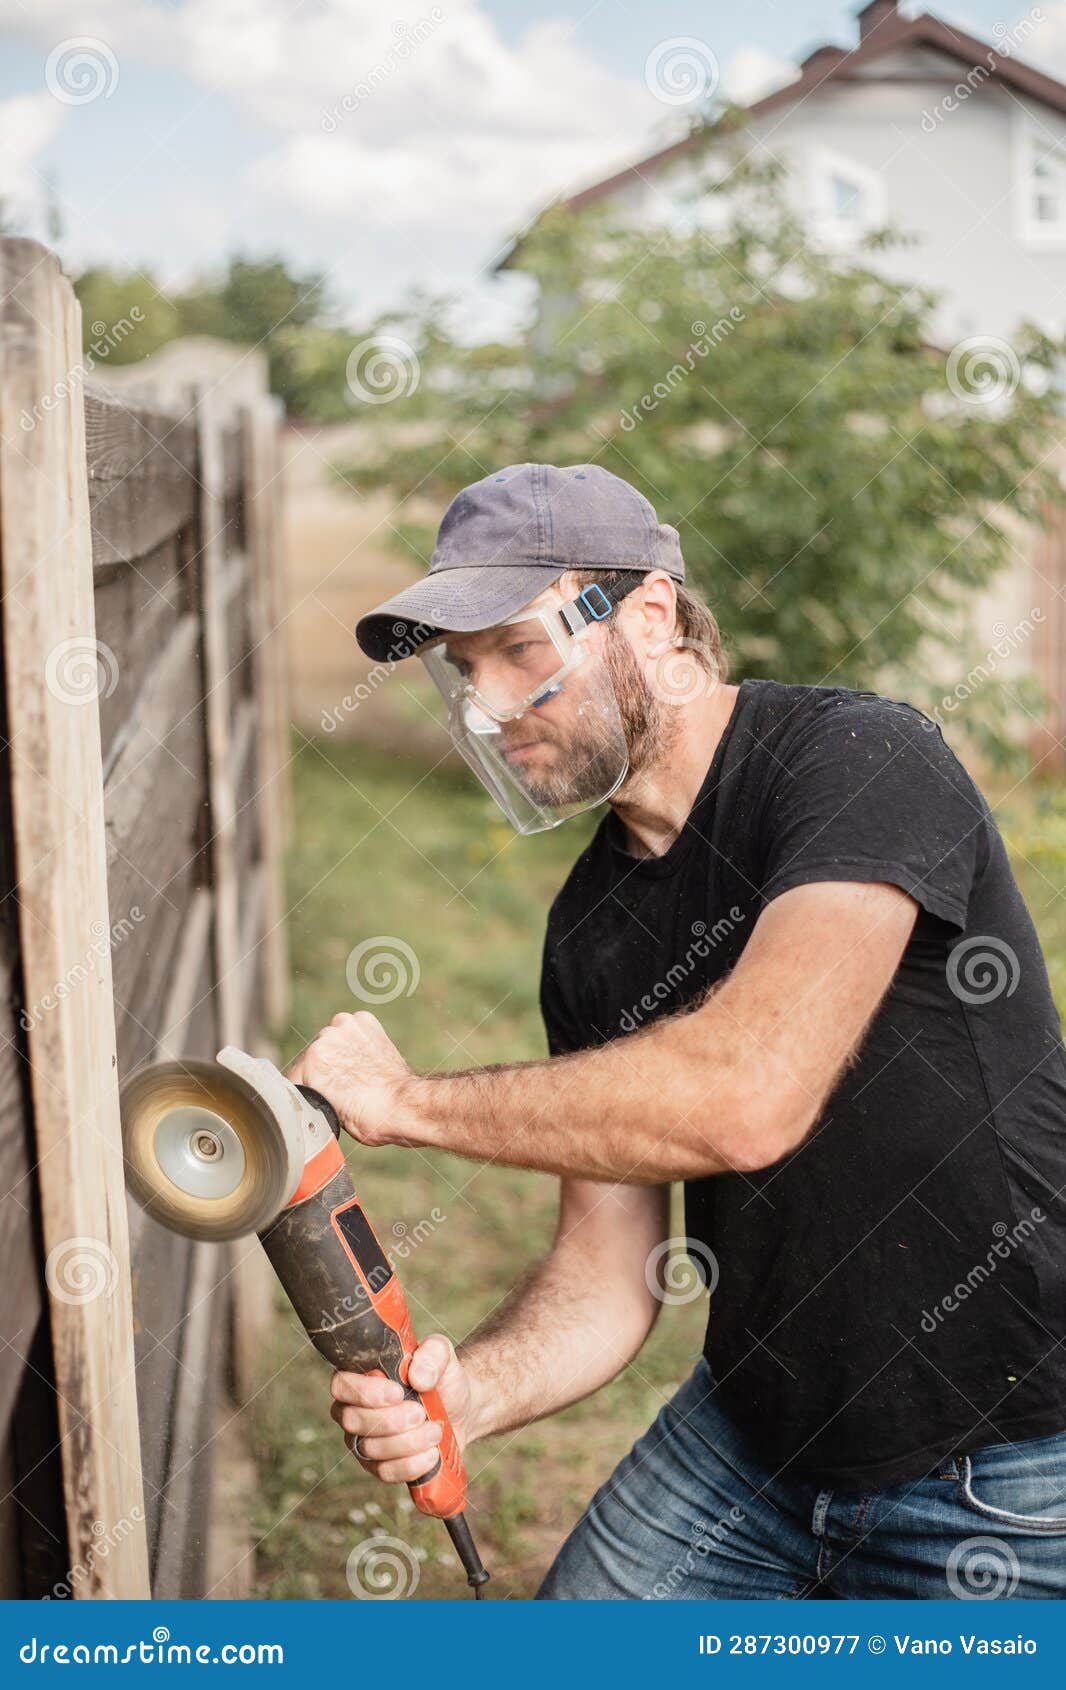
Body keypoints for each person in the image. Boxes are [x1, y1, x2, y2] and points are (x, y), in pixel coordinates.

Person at [286, 463, 1066, 1598]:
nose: (488, 706)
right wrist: (471, 1394)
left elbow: (750, 1097)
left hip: (1011, 1464)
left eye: (517, 649)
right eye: (464, 669)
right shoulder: (590, 927)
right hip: (754, 1438)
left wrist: (409, 1105)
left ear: (649, 616)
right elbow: (606, 1272)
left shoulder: (859, 761)